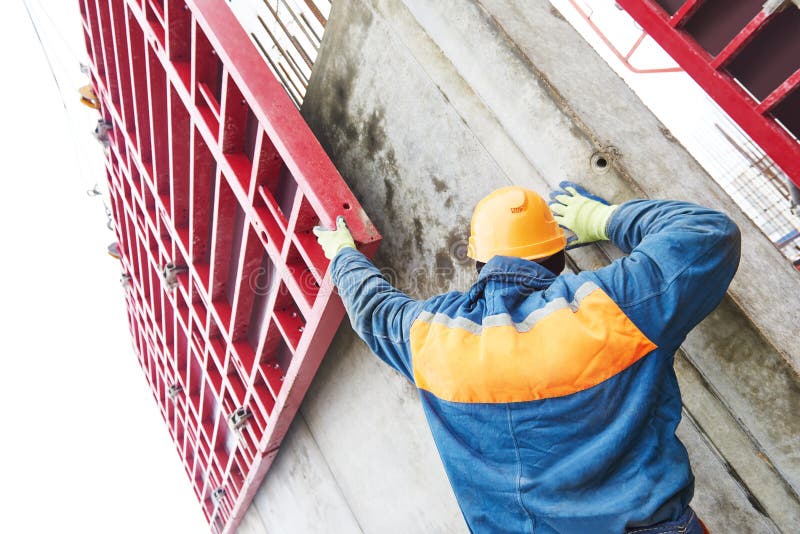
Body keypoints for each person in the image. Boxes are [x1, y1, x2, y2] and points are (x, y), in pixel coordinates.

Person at [313, 181, 740, 533]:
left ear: (479, 260)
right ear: (560, 254)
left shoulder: (431, 338)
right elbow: (706, 234)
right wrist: (604, 219)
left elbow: (372, 308)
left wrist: (343, 255)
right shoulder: (613, 306)